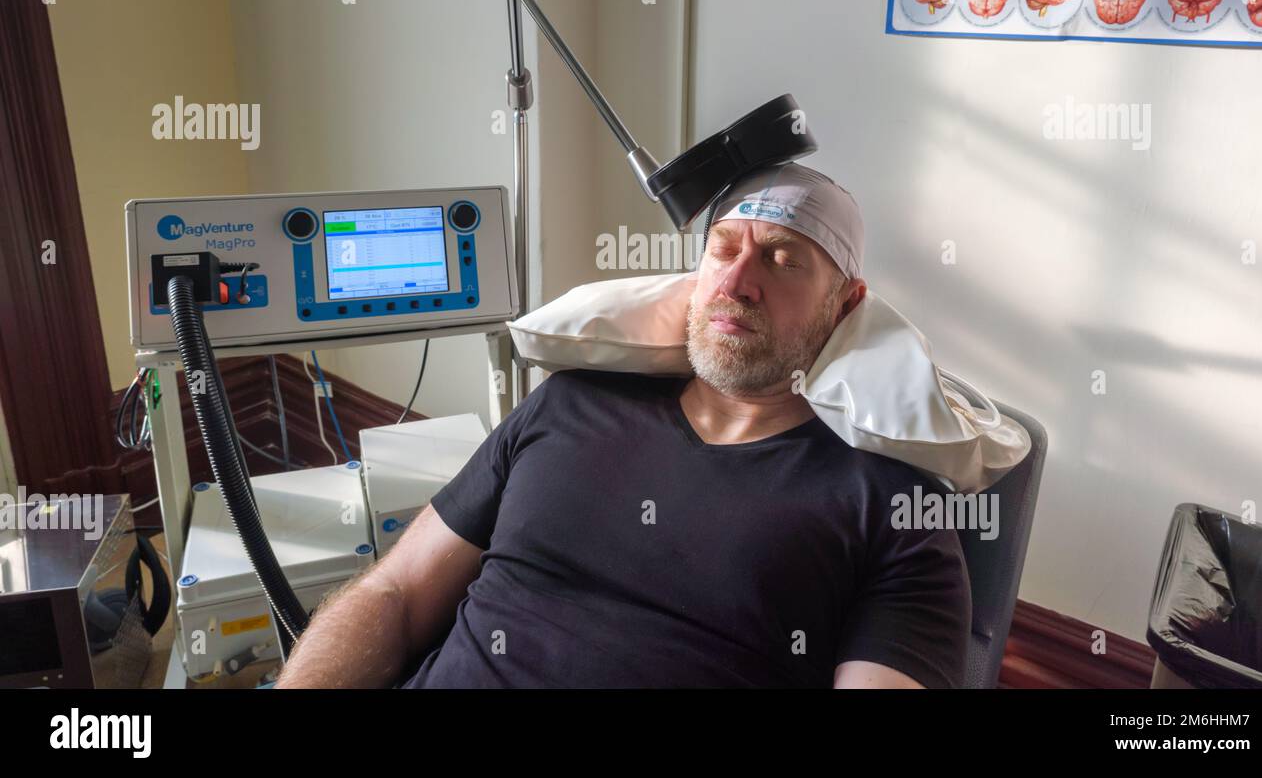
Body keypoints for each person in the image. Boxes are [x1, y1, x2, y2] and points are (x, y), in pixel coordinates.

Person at [276, 163, 972, 689]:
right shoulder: (569, 404)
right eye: (724, 250)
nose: (737, 283)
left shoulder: (891, 506)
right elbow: (393, 595)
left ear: (846, 304)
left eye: (783, 260)